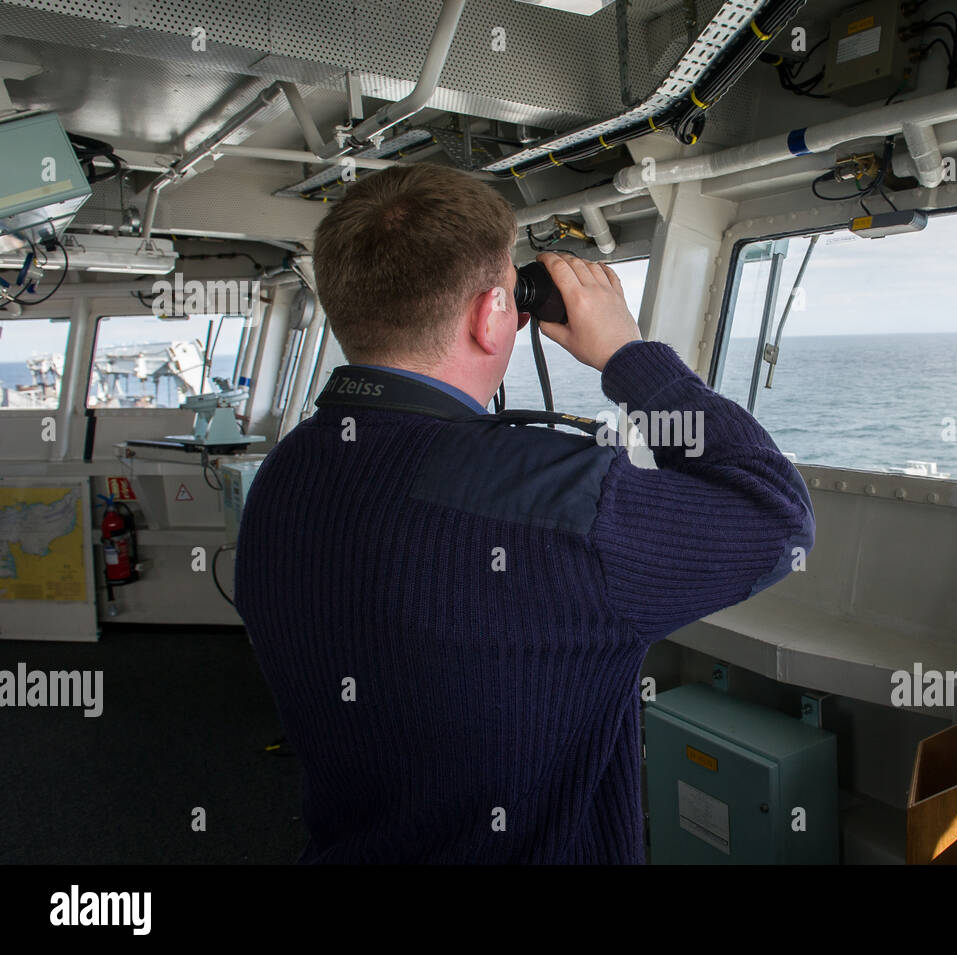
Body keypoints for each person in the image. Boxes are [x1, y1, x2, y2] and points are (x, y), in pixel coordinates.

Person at [235, 163, 814, 863]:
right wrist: (633, 357)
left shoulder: (282, 473)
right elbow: (778, 517)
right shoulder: (558, 502)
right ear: (491, 315)